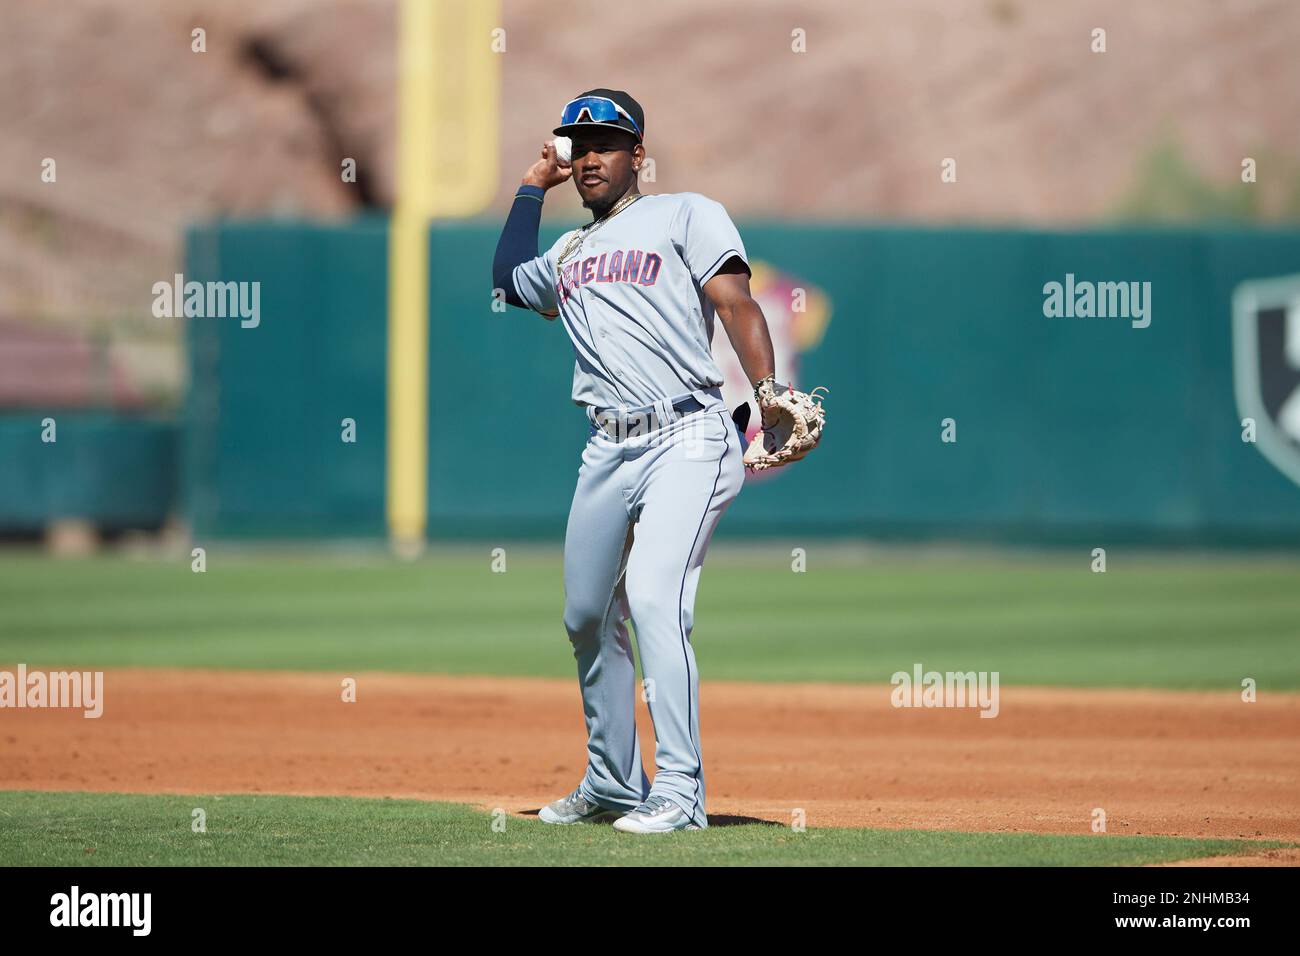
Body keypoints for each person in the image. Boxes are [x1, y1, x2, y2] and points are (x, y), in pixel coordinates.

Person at [491, 88, 779, 833]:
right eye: (578, 145)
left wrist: (770, 390)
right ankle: (616, 781)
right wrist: (531, 186)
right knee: (586, 616)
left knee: (653, 599)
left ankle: (681, 793)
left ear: (637, 156)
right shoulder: (568, 251)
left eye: (606, 144)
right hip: (606, 446)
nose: (589, 157)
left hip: (689, 434)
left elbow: (736, 301)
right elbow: (506, 277)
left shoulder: (684, 211)